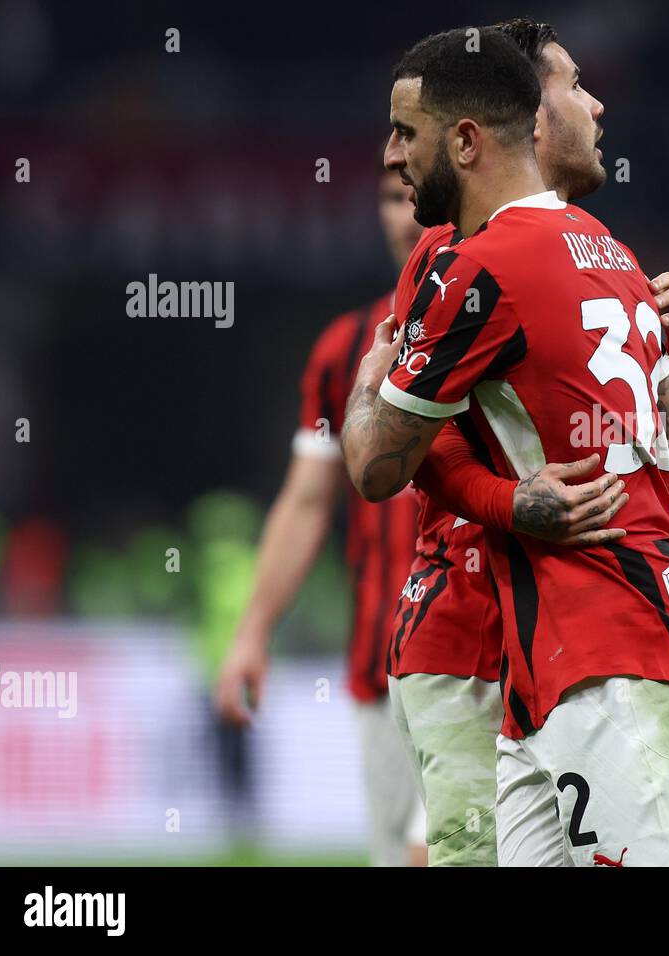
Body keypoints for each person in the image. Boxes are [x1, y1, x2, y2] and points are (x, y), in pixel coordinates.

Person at [341, 27, 669, 866]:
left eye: (404, 136)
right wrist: (514, 503)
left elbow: (381, 459)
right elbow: (667, 456)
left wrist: (368, 383)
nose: (595, 105)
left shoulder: (504, 263)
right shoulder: (594, 256)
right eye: (574, 85)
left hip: (583, 633)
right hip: (513, 634)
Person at [214, 169, 429, 866]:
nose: (406, 213)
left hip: (490, 663)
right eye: (391, 196)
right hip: (379, 661)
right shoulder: (345, 350)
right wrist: (252, 631)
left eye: (420, 192)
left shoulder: (506, 326)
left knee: (444, 851)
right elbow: (306, 502)